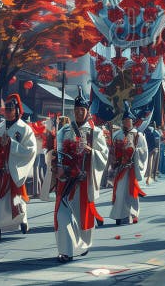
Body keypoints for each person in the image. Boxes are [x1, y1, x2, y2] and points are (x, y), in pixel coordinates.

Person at [54, 89, 109, 263]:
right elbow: (57, 152)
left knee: (80, 217)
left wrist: (91, 151)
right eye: (76, 109)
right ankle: (66, 251)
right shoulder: (64, 130)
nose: (79, 112)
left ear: (87, 111)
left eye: (82, 110)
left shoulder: (95, 132)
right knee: (62, 215)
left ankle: (82, 244)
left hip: (83, 181)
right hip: (65, 180)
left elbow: (104, 154)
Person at [0, 94, 37, 241]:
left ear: (17, 110)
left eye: (11, 109)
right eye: (6, 109)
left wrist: (11, 144)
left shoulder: (25, 129)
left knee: (16, 199)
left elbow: (30, 150)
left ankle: (22, 220)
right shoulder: (0, 127)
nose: (8, 111)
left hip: (13, 170)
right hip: (0, 170)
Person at [109, 105, 148, 225]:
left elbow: (144, 151)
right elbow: (112, 150)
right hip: (120, 168)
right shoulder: (117, 135)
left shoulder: (138, 135)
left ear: (132, 121)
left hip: (131, 168)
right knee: (120, 192)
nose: (126, 122)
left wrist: (134, 152)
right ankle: (120, 215)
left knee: (132, 192)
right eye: (125, 120)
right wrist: (115, 159)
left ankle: (133, 213)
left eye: (128, 120)